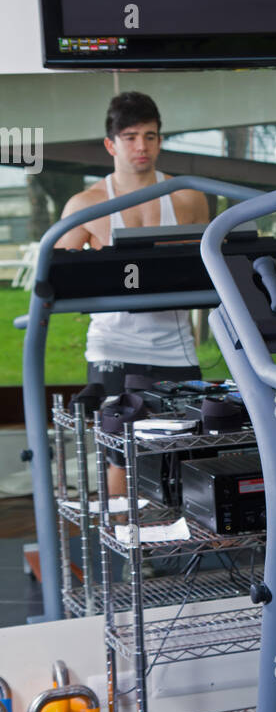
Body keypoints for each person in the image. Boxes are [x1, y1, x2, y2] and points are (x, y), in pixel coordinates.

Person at [57, 91, 210, 495]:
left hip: (175, 348)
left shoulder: (188, 196)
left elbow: (203, 270)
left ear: (160, 139)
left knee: (184, 454)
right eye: (129, 137)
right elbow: (57, 276)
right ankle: (129, 552)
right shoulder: (86, 205)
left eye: (150, 135)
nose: (141, 146)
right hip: (114, 347)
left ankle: (178, 546)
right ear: (111, 144)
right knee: (120, 455)